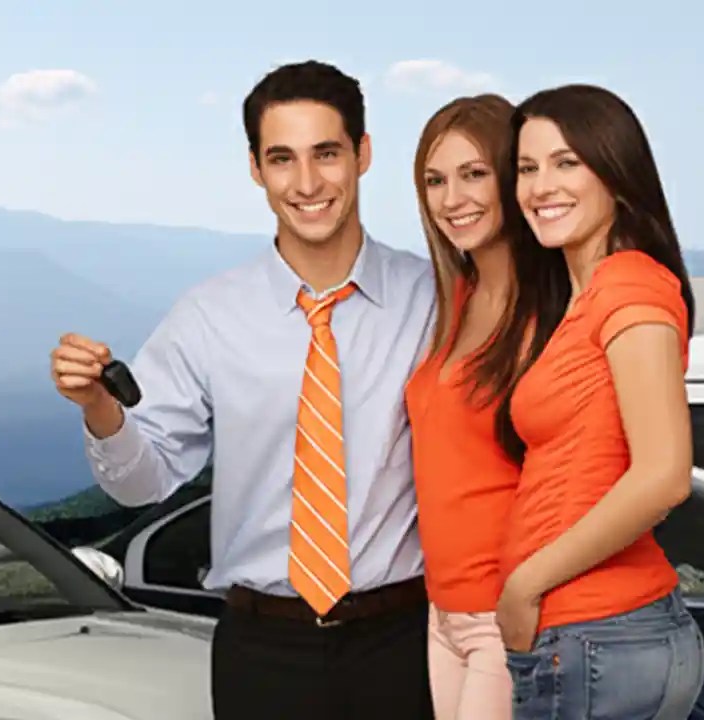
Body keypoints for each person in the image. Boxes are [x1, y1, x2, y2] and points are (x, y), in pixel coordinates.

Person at [49, 59, 437, 718]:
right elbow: (143, 483)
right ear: (256, 168)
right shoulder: (208, 315)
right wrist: (100, 409)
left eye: (327, 153)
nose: (307, 183)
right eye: (283, 158)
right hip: (262, 651)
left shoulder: (434, 299)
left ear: (364, 155)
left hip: (405, 643)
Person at [492, 83, 704, 718]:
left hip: (596, 637)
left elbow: (665, 475)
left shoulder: (628, 285)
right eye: (527, 168)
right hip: (602, 637)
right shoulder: (587, 299)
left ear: (615, 171)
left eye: (566, 163)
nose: (541, 187)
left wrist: (525, 585)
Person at [404, 94, 521, 720]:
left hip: (507, 611)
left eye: (474, 174)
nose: (452, 199)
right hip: (442, 609)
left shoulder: (548, 312)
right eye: (435, 181)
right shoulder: (455, 300)